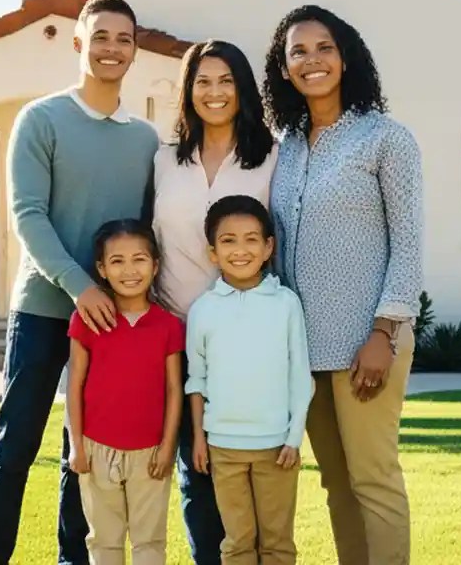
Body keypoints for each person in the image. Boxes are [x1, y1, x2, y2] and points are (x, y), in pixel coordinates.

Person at [0, 0, 162, 565]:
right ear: (79, 43)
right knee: (16, 446)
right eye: (101, 36)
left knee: (84, 454)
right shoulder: (41, 118)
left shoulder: (147, 140)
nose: (112, 48)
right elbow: (27, 214)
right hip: (46, 310)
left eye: (124, 39)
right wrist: (83, 287)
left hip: (111, 323)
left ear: (135, 50)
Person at [263, 5, 423, 565]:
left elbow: (408, 244)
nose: (313, 60)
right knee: (336, 484)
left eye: (324, 47)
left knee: (374, 480)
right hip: (304, 348)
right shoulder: (284, 146)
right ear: (284, 70)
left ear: (346, 55)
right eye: (298, 52)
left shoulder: (385, 138)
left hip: (367, 344)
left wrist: (384, 331)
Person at [145, 39, 278, 564]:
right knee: (194, 469)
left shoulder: (272, 158)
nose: (215, 92)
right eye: (203, 81)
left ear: (243, 90)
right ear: (188, 91)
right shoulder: (162, 161)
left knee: (251, 472)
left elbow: (280, 242)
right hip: (176, 338)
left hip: (247, 341)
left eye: (226, 81)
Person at [184, 195, 313, 565]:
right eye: (228, 240)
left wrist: (293, 438)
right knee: (237, 543)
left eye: (251, 239)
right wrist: (199, 438)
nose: (240, 250)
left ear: (269, 246)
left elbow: (299, 376)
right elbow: (197, 379)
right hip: (223, 448)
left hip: (277, 449)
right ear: (212, 252)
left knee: (277, 544)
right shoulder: (203, 310)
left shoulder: (285, 303)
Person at [66, 219, 184, 565]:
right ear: (101, 269)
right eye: (117, 261)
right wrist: (77, 446)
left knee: (150, 542)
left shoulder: (168, 325)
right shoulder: (87, 320)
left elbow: (174, 389)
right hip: (96, 449)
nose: (129, 270)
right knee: (103, 541)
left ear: (155, 265)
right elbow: (74, 384)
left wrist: (167, 446)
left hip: (150, 453)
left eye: (139, 259)